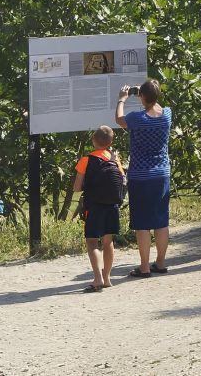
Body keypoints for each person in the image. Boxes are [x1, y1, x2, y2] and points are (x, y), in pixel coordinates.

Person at [115, 79, 171, 276]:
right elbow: (158, 105)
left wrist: (122, 99)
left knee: (142, 224)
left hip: (140, 175)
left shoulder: (137, 118)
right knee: (161, 221)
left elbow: (119, 120)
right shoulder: (167, 115)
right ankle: (161, 262)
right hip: (162, 174)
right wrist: (146, 93)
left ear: (142, 97)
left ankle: (145, 266)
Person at [72, 125, 124, 293]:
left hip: (93, 207)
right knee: (108, 242)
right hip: (112, 205)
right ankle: (107, 278)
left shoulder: (86, 160)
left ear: (93, 141)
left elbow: (77, 187)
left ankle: (97, 278)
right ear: (110, 142)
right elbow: (122, 180)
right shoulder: (115, 160)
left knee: (92, 242)